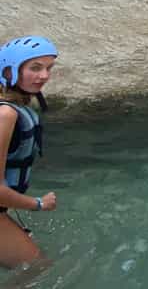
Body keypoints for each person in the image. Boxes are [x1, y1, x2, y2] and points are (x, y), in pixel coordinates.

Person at [0, 36, 59, 268]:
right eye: (35, 68)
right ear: (8, 71)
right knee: (37, 269)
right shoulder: (6, 115)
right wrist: (38, 204)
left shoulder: (17, 107)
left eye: (48, 68)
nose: (44, 76)